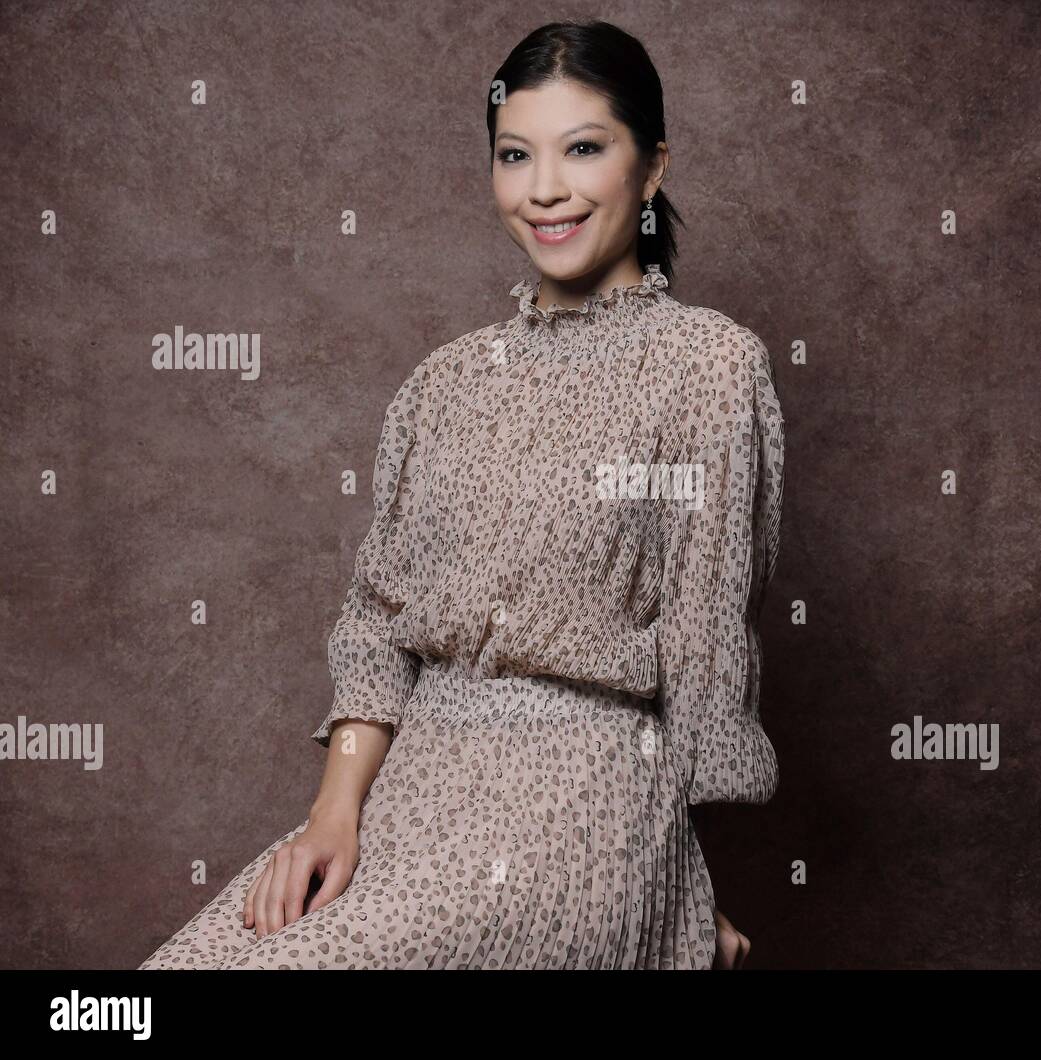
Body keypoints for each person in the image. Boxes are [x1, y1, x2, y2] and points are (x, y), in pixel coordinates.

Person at [138, 19, 784, 971]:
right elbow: (376, 627)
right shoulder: (441, 386)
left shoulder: (710, 369)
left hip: (586, 801)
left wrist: (685, 896)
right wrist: (330, 819)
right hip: (411, 790)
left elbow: (705, 646)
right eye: (515, 155)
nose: (545, 189)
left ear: (651, 171)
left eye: (584, 150)